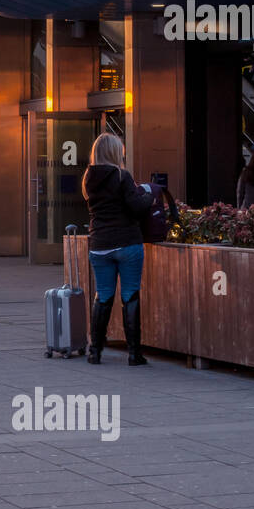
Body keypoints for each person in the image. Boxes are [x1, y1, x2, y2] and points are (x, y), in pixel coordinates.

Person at [82, 132, 154, 367]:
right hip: (127, 242)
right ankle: (134, 354)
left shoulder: (88, 178)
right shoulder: (122, 176)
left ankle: (95, 351)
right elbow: (136, 207)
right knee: (130, 294)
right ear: (115, 152)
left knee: (102, 296)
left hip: (99, 245)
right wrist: (148, 197)